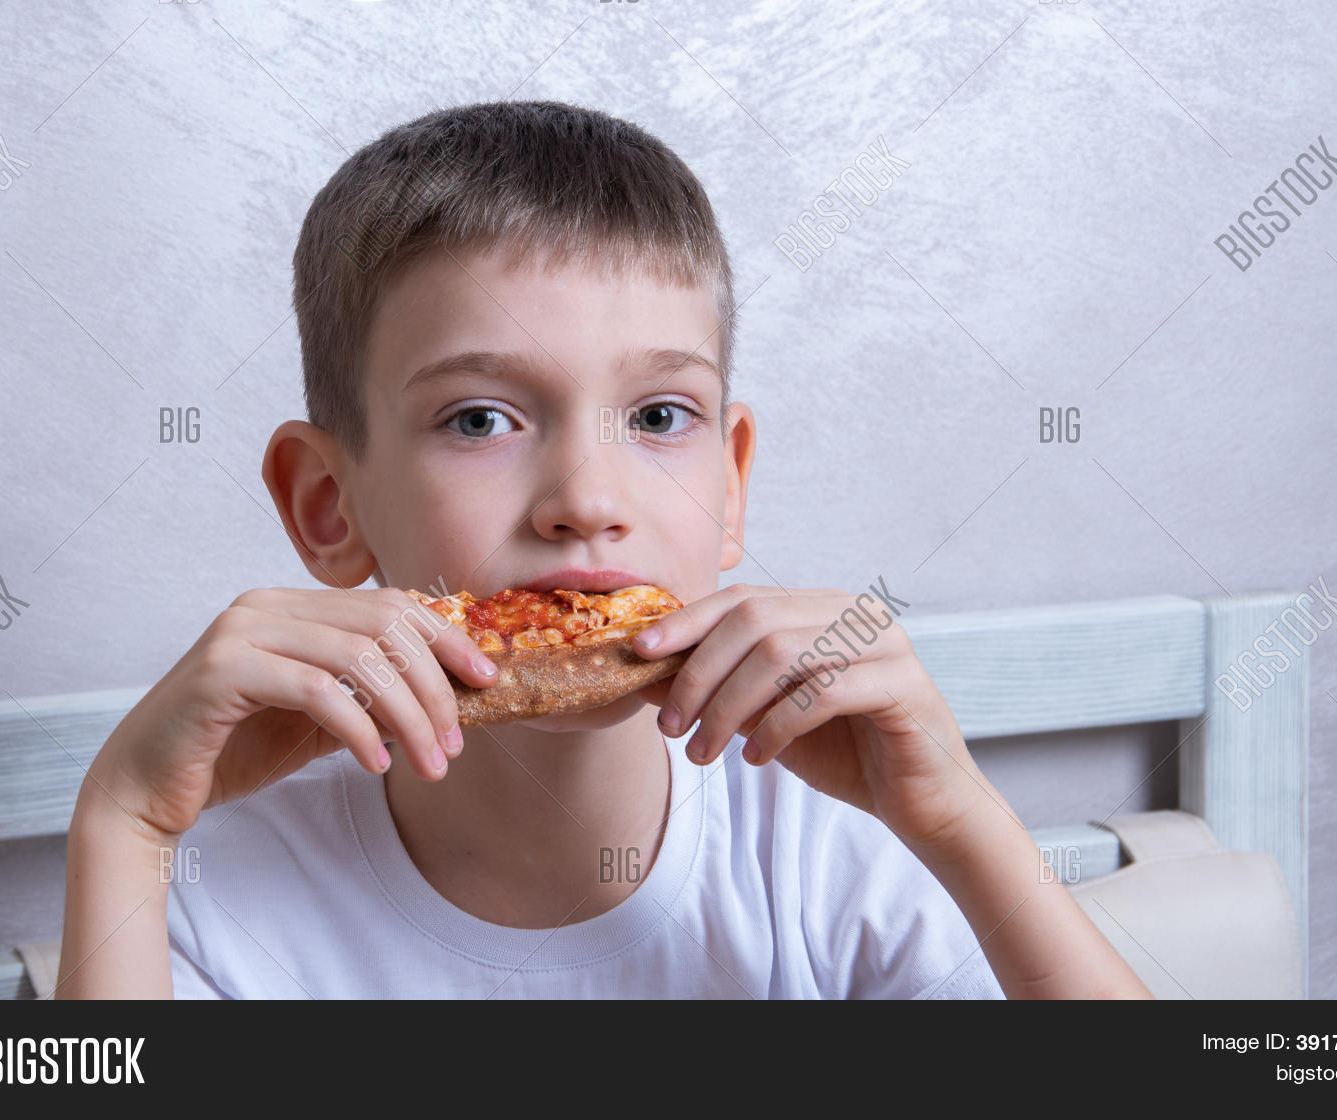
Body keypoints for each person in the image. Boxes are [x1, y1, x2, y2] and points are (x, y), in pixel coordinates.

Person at [57, 100, 1151, 999]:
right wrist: (123, 821)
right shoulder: (202, 901)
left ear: (732, 485)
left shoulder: (842, 853)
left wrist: (963, 822)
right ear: (329, 506)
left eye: (661, 417)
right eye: (480, 419)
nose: (585, 500)